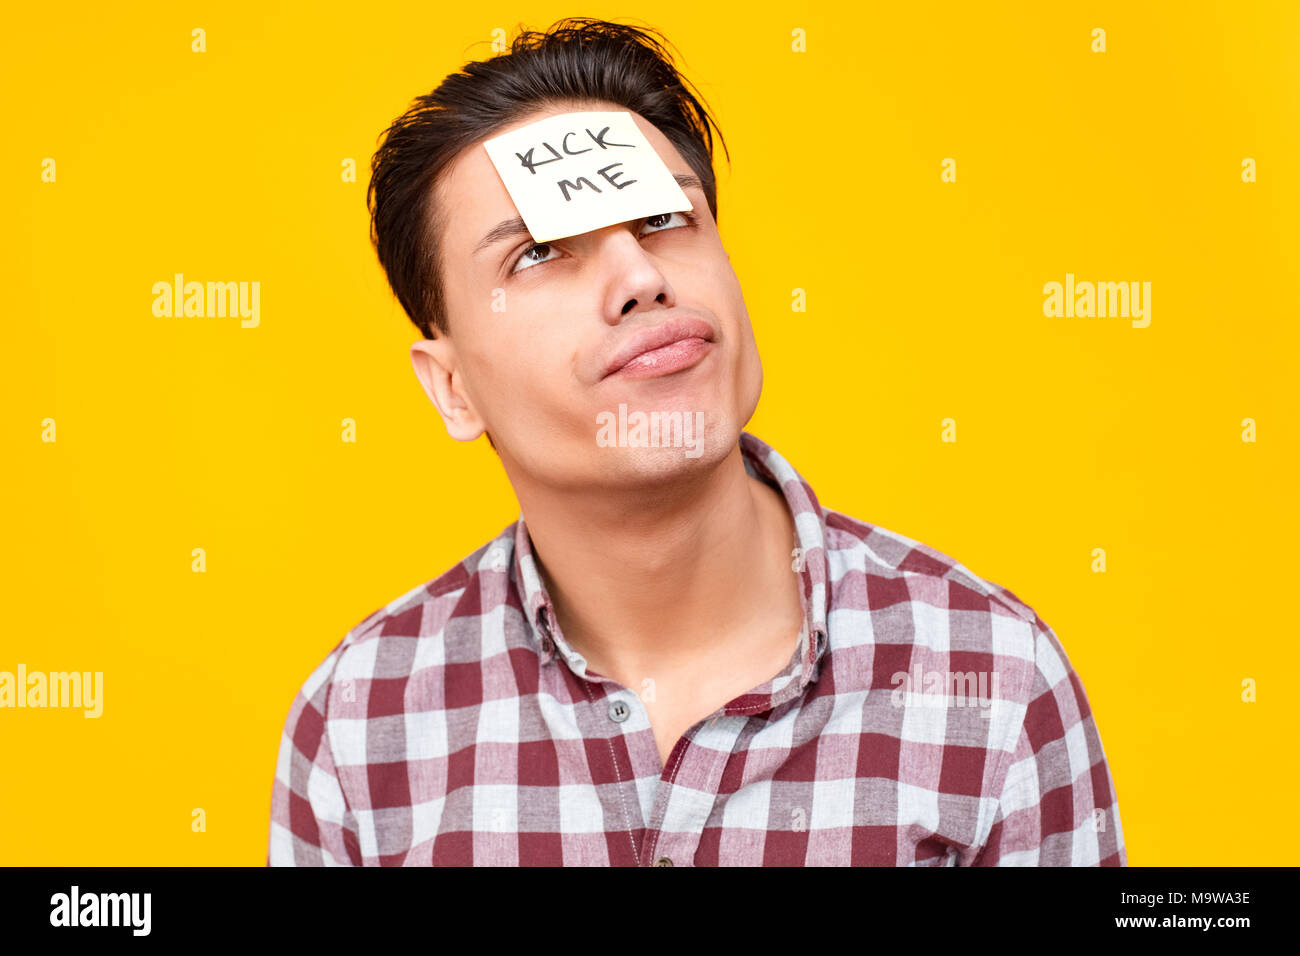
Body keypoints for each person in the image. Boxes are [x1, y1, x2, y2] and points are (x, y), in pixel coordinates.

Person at [268, 17, 1126, 866]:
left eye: (663, 220)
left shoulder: (994, 683)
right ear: (452, 388)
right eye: (538, 253)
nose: (642, 279)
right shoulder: (357, 727)